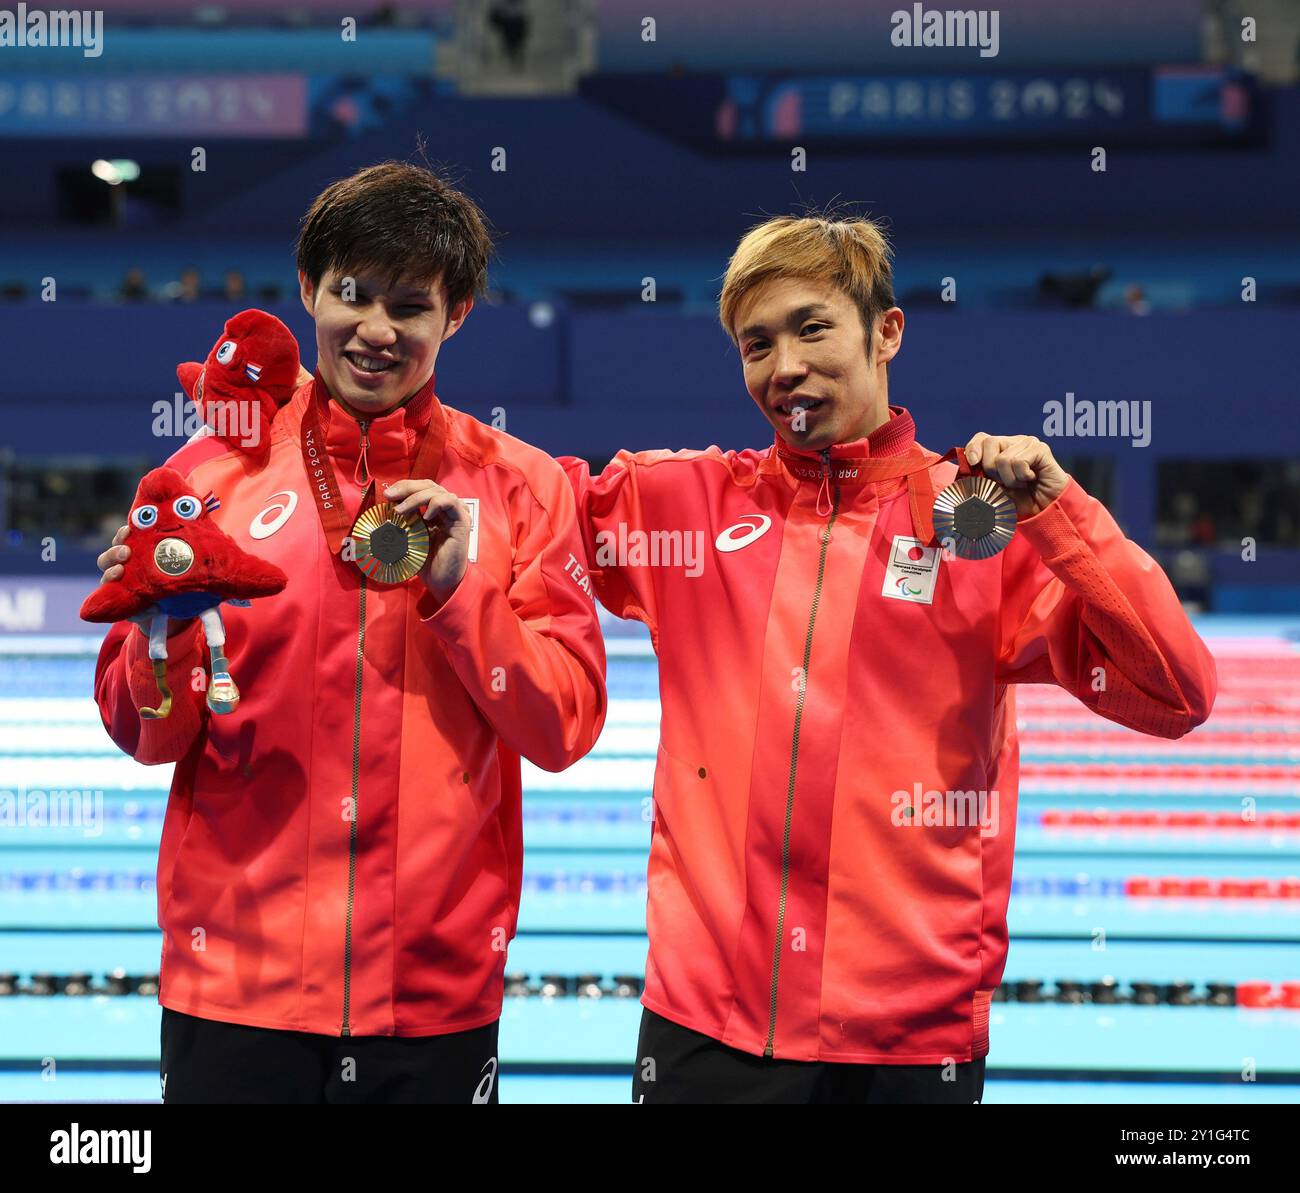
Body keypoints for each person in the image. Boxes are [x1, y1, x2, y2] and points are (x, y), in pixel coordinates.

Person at [560, 212, 1217, 1104]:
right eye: (756, 343)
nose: (783, 364)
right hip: (704, 1029)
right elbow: (505, 494)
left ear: (887, 332)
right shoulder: (683, 504)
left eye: (811, 326)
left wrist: (1065, 516)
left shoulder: (983, 525)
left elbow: (1177, 692)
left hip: (909, 1043)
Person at [92, 160, 607, 1104]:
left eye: (409, 304)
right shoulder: (208, 477)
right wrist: (157, 634)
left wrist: (461, 594)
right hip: (235, 983)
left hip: (432, 993)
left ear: (455, 317)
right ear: (308, 292)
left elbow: (564, 729)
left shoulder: (523, 488)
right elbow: (148, 735)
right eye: (352, 294)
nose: (376, 329)